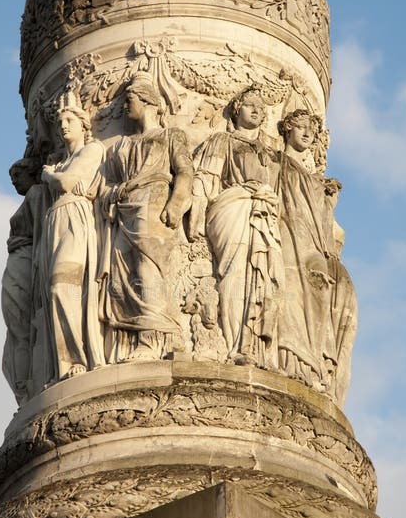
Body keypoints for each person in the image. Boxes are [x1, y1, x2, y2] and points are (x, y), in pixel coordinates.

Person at [99, 72, 194, 361]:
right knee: (119, 278)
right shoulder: (121, 145)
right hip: (125, 207)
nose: (125, 106)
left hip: (153, 202)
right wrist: (114, 194)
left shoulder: (170, 136)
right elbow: (107, 184)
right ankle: (126, 341)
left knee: (147, 269)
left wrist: (176, 204)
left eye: (130, 99)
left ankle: (152, 339)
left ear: (148, 101)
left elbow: (185, 171)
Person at [190, 88, 284, 367]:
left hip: (266, 213)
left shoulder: (272, 153)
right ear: (236, 110)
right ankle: (234, 346)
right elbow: (206, 178)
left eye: (261, 107)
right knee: (236, 272)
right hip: (234, 207)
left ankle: (256, 346)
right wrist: (194, 217)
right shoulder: (223, 141)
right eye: (250, 105)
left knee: (267, 278)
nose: (256, 110)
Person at [40, 93, 105, 382]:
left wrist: (49, 176)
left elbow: (66, 183)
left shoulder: (92, 150)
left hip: (75, 217)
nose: (63, 126)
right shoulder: (62, 161)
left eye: (69, 120)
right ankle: (63, 365)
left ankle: (78, 357)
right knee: (51, 291)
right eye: (60, 122)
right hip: (54, 221)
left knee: (62, 285)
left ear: (84, 125)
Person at [276, 109, 336, 392]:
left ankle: (311, 361)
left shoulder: (314, 179)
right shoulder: (276, 161)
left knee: (318, 288)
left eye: (311, 129)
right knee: (289, 288)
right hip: (287, 232)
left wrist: (328, 201)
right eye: (300, 126)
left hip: (312, 241)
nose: (307, 133)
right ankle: (290, 359)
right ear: (287, 129)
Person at [1, 157, 48, 403]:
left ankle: (25, 384)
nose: (13, 182)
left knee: (21, 326)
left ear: (31, 173)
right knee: (17, 326)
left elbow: (41, 232)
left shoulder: (36, 194)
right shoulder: (32, 196)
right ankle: (24, 386)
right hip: (18, 259)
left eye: (17, 176)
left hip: (26, 259)